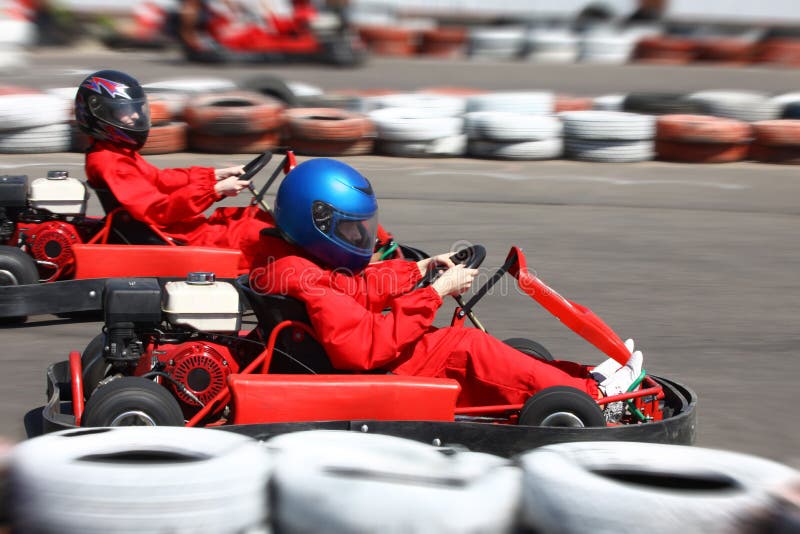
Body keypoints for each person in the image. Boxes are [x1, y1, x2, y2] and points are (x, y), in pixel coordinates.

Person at [250, 158, 644, 409]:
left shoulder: (292, 264)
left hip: (358, 358)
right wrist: (434, 293)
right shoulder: (304, 278)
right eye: (351, 232)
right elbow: (362, 347)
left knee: (466, 345)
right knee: (466, 347)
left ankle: (579, 380)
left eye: (360, 230)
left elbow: (353, 290)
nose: (360, 241)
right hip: (369, 373)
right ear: (314, 225)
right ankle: (595, 399)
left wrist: (420, 269)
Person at [77, 69, 283, 270]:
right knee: (259, 232)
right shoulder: (110, 162)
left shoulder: (116, 152)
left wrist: (212, 176)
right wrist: (214, 191)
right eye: (123, 112)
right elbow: (157, 210)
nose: (133, 117)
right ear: (99, 114)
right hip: (173, 236)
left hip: (178, 228)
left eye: (135, 110)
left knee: (250, 217)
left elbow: (160, 179)